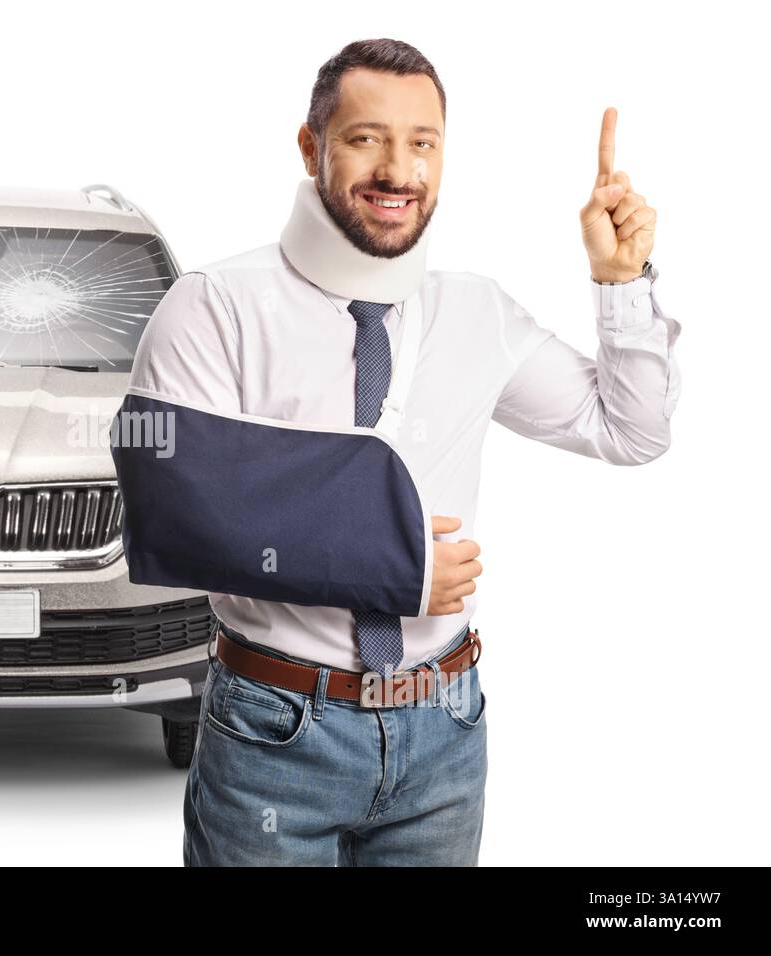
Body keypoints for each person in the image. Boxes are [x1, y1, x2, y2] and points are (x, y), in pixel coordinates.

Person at [110, 37, 681, 866]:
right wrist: (392, 564)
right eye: (365, 137)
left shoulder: (476, 313)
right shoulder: (215, 306)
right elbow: (171, 515)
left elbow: (634, 430)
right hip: (276, 729)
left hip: (443, 729)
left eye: (422, 143)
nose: (397, 170)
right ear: (311, 148)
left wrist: (621, 283)